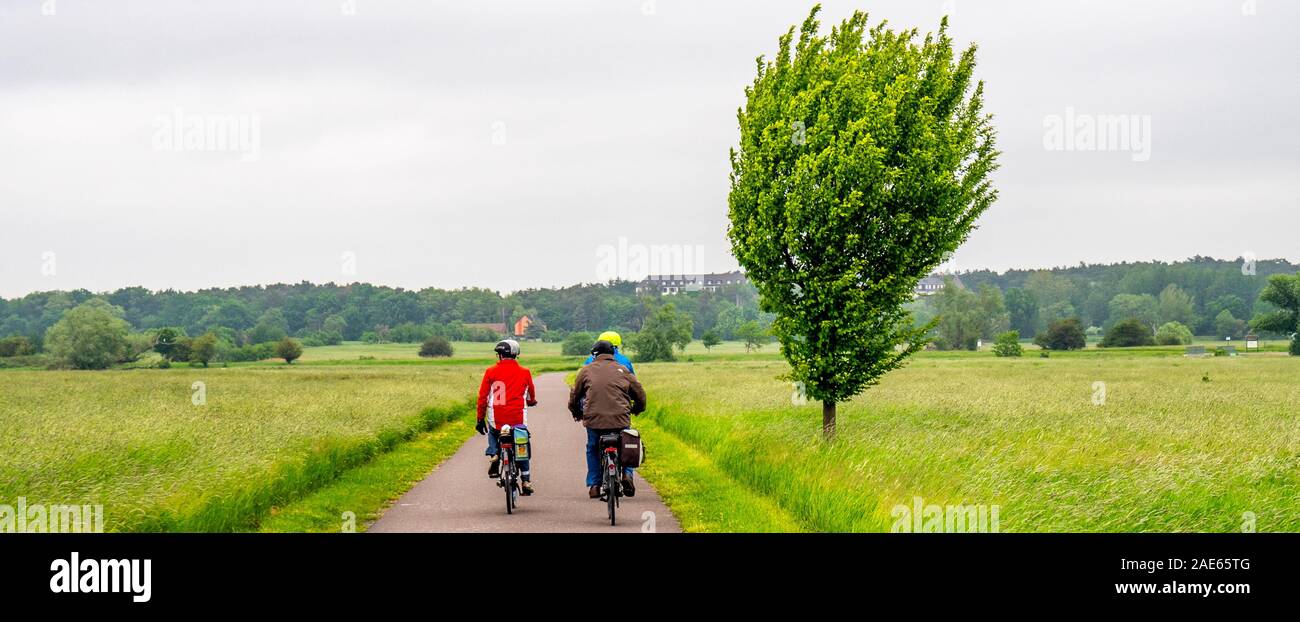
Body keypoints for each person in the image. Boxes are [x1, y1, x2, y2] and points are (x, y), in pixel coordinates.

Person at [569, 339, 647, 499]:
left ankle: (594, 485)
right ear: (612, 354)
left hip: (594, 419)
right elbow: (639, 393)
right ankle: (627, 475)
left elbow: (575, 395)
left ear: (594, 354)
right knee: (626, 444)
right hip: (620, 418)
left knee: (592, 448)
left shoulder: (586, 370)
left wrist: (576, 411)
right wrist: (637, 408)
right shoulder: (623, 369)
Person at [476, 339, 538, 495]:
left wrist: (479, 419)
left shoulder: (490, 372)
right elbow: (530, 395)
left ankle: (494, 453)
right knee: (521, 444)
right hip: (517, 418)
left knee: (493, 431)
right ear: (516, 354)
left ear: (499, 355)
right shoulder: (525, 372)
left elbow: (482, 397)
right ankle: (525, 480)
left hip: (496, 417)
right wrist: (531, 402)